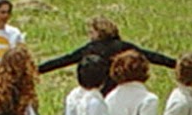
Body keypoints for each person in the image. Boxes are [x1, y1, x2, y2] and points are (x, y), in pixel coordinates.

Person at [38, 18, 177, 81]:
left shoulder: (91, 49)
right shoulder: (124, 46)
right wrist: (175, 64)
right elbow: (151, 56)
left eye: (91, 32)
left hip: (99, 87)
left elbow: (64, 60)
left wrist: (38, 69)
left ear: (98, 33)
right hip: (119, 86)